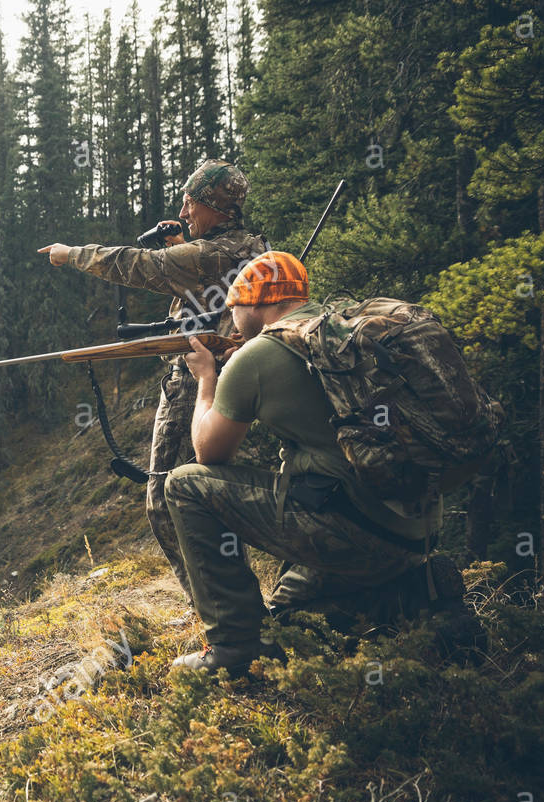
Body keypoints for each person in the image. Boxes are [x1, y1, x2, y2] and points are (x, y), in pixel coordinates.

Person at [164, 250, 460, 674]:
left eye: (236, 306)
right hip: (415, 532)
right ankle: (415, 595)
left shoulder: (257, 355)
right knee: (292, 620)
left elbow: (209, 452)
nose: (232, 318)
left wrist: (207, 380)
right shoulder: (341, 329)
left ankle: (236, 646)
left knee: (183, 484)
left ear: (258, 301)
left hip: (348, 532)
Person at [39, 160, 268, 610]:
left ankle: (221, 615)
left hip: (197, 383)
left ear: (216, 207)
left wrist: (71, 254)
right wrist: (184, 250)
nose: (183, 212)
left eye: (191, 203)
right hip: (215, 378)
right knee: (206, 498)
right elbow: (211, 296)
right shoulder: (242, 246)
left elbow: (138, 265)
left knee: (165, 499)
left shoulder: (213, 252)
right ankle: (233, 610)